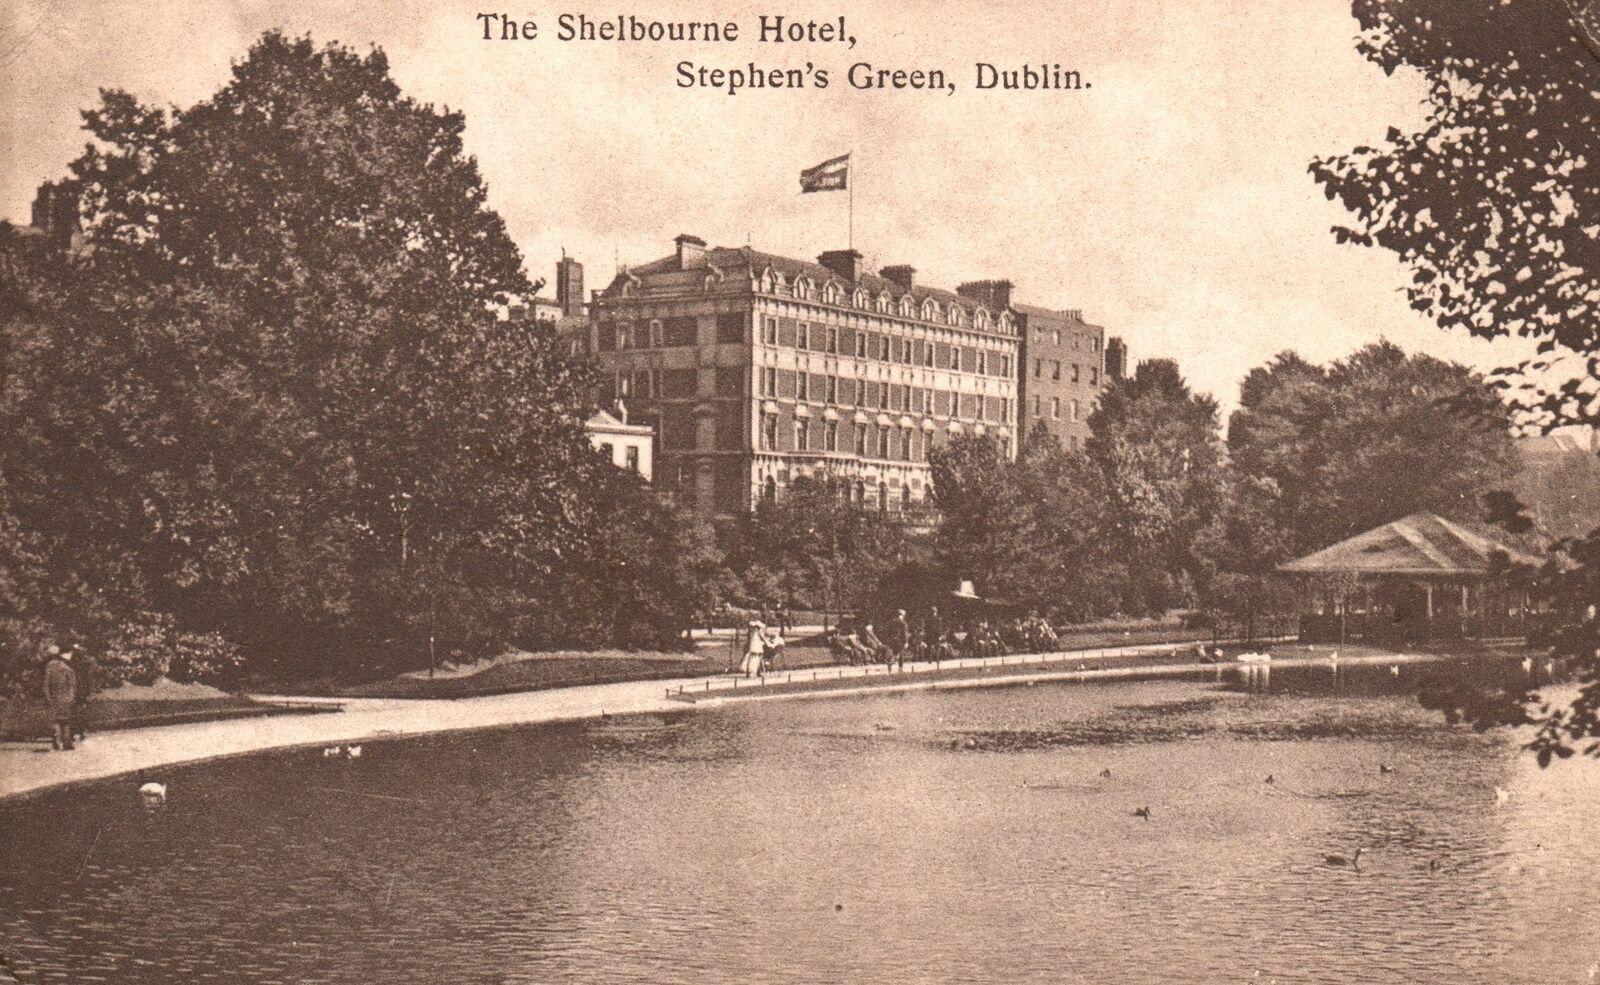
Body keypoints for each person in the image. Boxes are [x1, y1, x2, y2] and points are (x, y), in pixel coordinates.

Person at [42, 644, 77, 751]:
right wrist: (71, 697)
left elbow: (46, 685)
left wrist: (48, 697)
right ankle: (66, 742)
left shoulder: (49, 669)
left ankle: (57, 742)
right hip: (66, 697)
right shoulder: (68, 669)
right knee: (65, 720)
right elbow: (72, 685)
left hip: (54, 698)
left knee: (55, 721)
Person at [70, 643, 96, 744]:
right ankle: (80, 732)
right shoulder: (85, 664)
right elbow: (88, 679)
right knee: (80, 711)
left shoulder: (71, 663)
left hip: (76, 690)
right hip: (81, 690)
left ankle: (75, 732)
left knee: (74, 711)